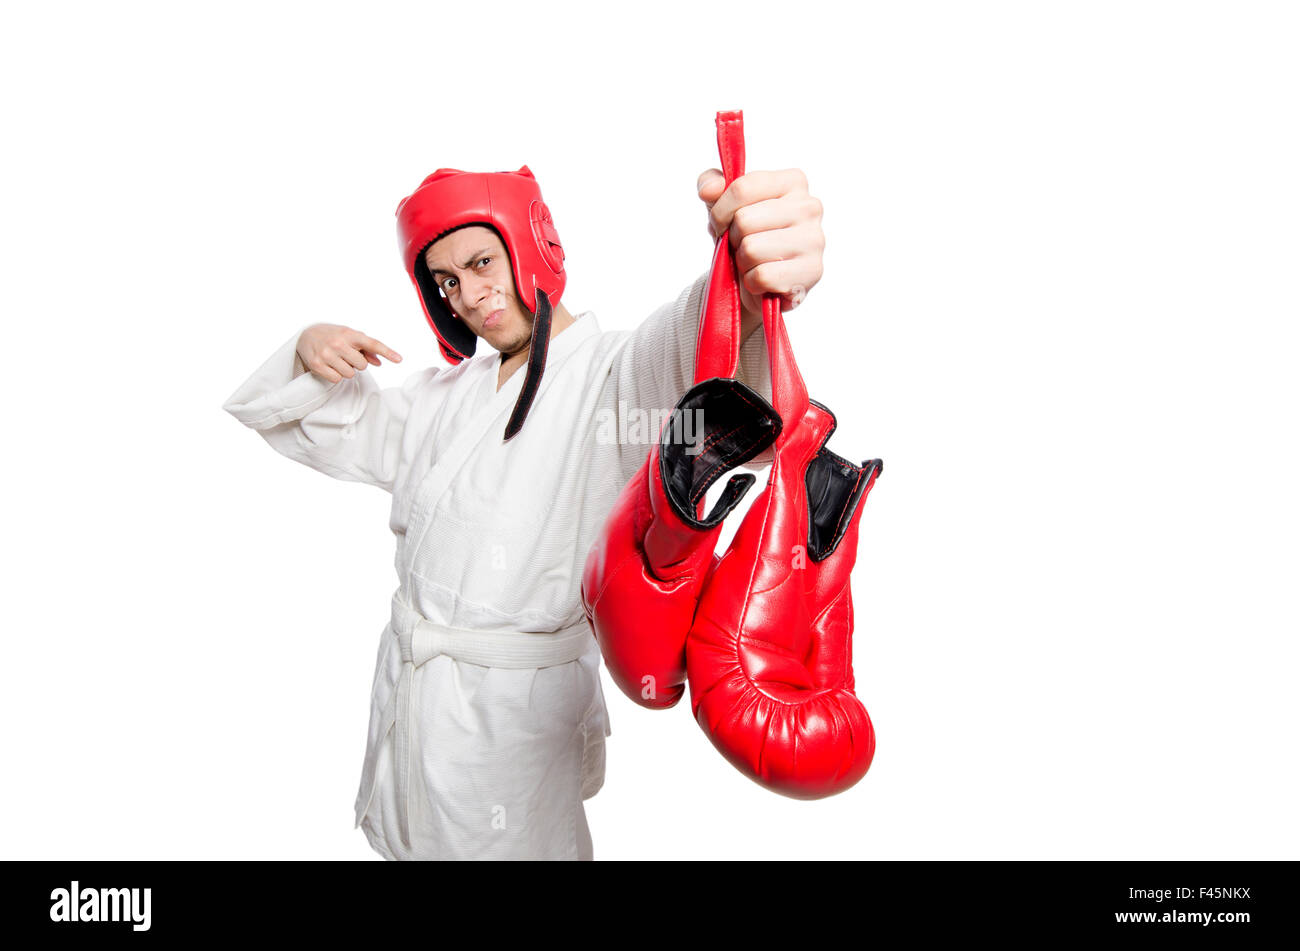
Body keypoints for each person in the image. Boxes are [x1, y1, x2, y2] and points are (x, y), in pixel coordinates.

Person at [222, 162, 826, 860]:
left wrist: (747, 288)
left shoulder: (610, 377)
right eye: (447, 281)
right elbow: (323, 425)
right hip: (418, 707)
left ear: (530, 243)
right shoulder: (444, 395)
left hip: (513, 729)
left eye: (481, 262)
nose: (470, 296)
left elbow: (698, 365)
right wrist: (308, 345)